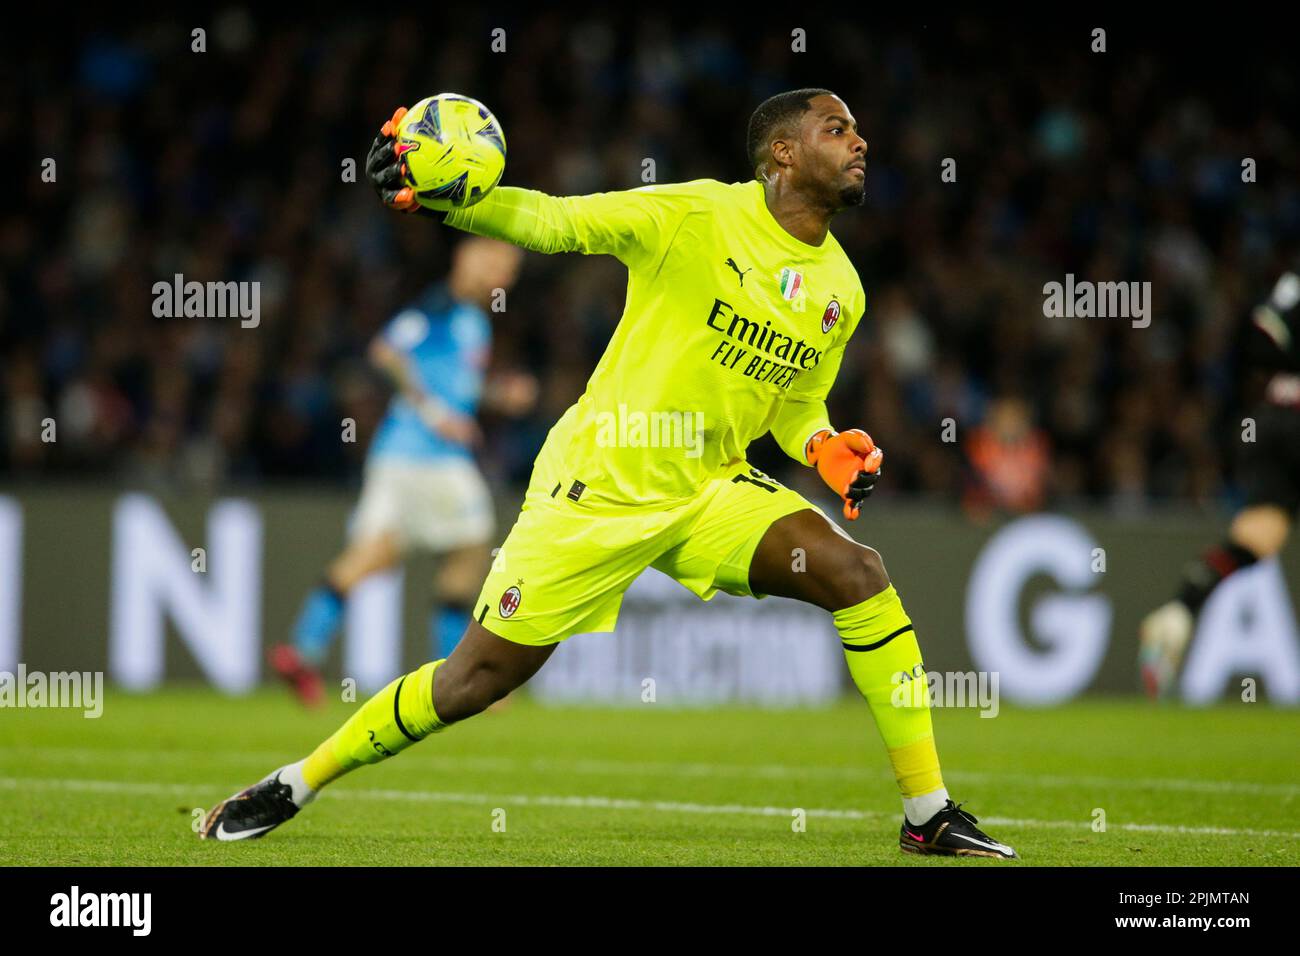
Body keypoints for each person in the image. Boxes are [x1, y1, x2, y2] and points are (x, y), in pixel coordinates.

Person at [202, 88, 1017, 859]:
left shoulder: (843, 289)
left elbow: (797, 405)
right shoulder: (693, 212)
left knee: (858, 572)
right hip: (597, 484)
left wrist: (822, 448)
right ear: (781, 152)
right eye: (836, 128)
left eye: (856, 129)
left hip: (707, 490)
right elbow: (555, 223)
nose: (860, 140)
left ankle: (928, 814)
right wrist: (449, 199)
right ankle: (296, 781)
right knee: (471, 683)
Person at [268, 237, 527, 706]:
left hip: (396, 455)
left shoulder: (470, 320)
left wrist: (495, 397)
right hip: (426, 457)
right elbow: (386, 351)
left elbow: (453, 385)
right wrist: (434, 415)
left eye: (510, 272)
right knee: (472, 548)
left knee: (376, 555)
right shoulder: (441, 307)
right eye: (499, 266)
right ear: (468, 260)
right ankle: (456, 673)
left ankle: (302, 649)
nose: (504, 279)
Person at [1140, 267, 1300, 697]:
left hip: (1273, 416)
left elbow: (1263, 330)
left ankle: (1179, 611)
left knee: (1258, 536)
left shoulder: (1290, 282)